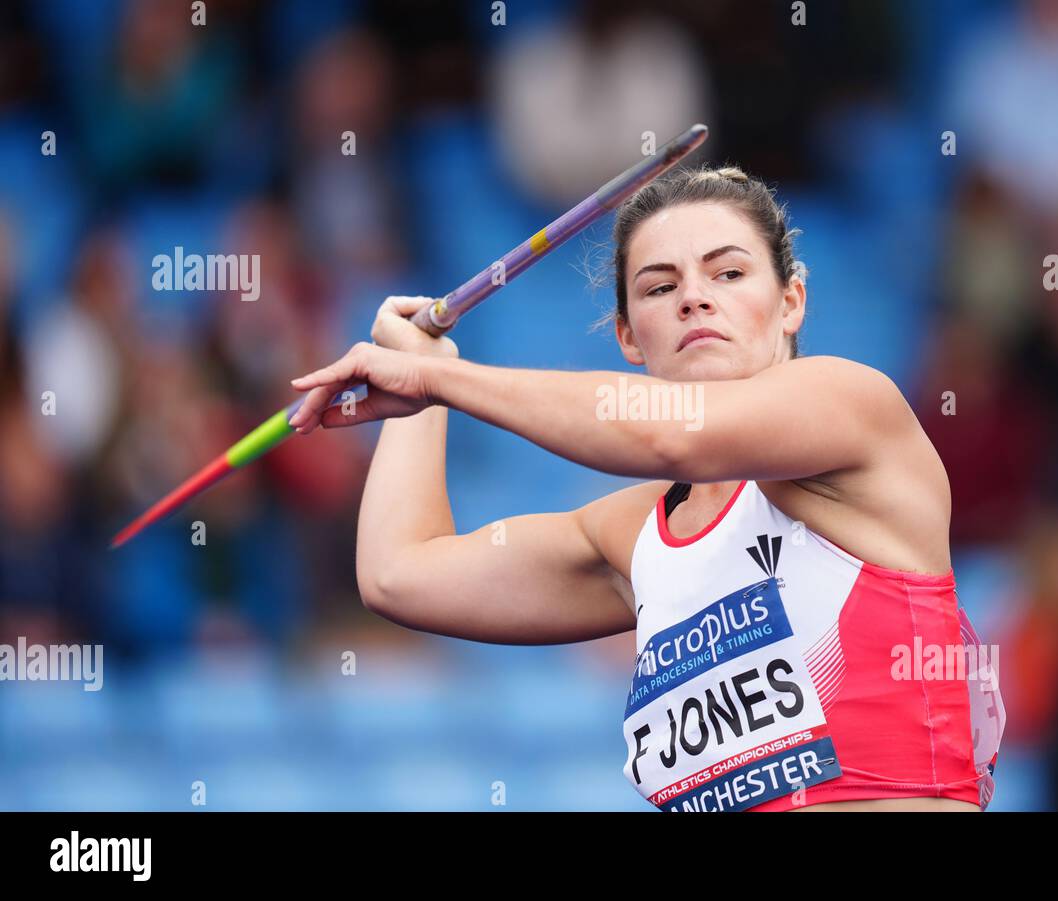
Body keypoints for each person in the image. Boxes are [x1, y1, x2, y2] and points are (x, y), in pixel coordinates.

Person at [288, 165, 1005, 812]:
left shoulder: (857, 409)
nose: (694, 297)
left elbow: (671, 432)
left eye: (728, 274)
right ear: (631, 339)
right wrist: (420, 380)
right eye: (661, 287)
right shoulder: (636, 540)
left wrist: (444, 379)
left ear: (791, 302)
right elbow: (399, 574)